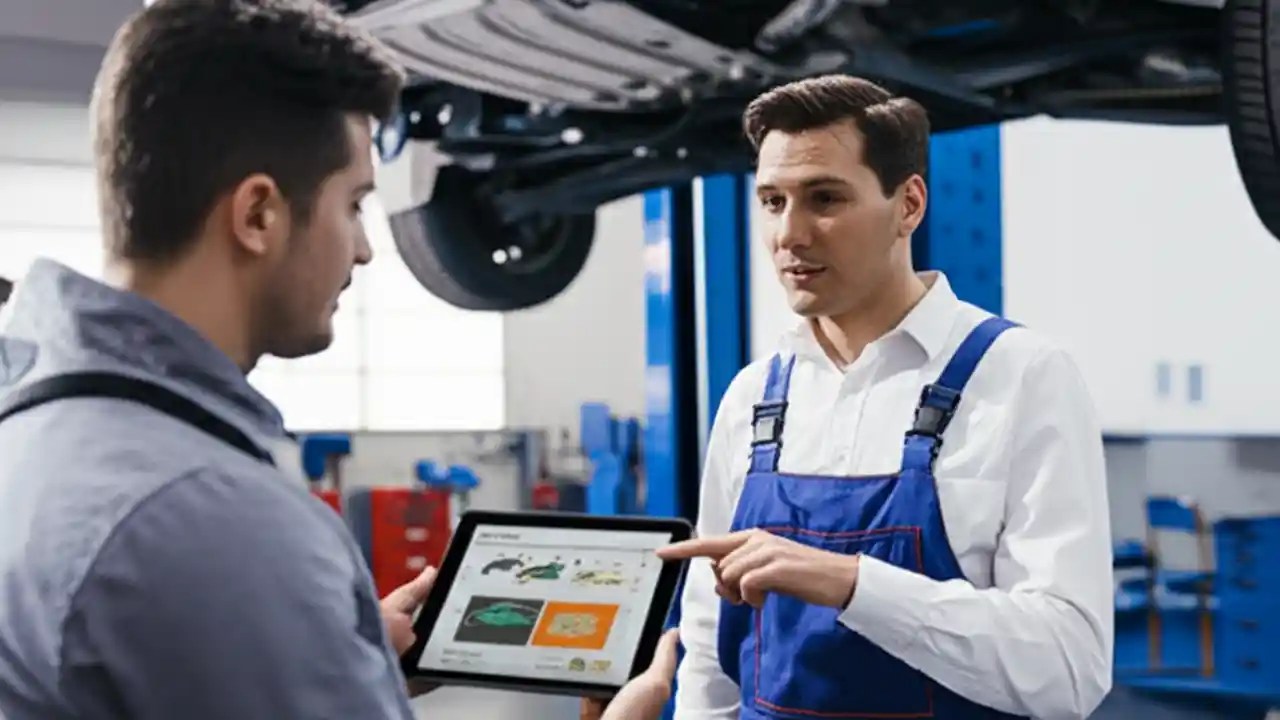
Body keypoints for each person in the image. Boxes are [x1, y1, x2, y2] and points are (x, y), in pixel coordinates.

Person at [0, 1, 676, 719]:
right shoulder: (215, 514)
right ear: (259, 215)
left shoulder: (38, 436)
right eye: (353, 204)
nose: (363, 248)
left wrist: (333, 658)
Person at [656, 75, 1115, 720]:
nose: (790, 234)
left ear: (909, 204)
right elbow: (710, 643)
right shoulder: (754, 397)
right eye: (771, 201)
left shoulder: (1022, 377)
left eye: (824, 198)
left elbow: (1068, 669)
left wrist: (851, 584)